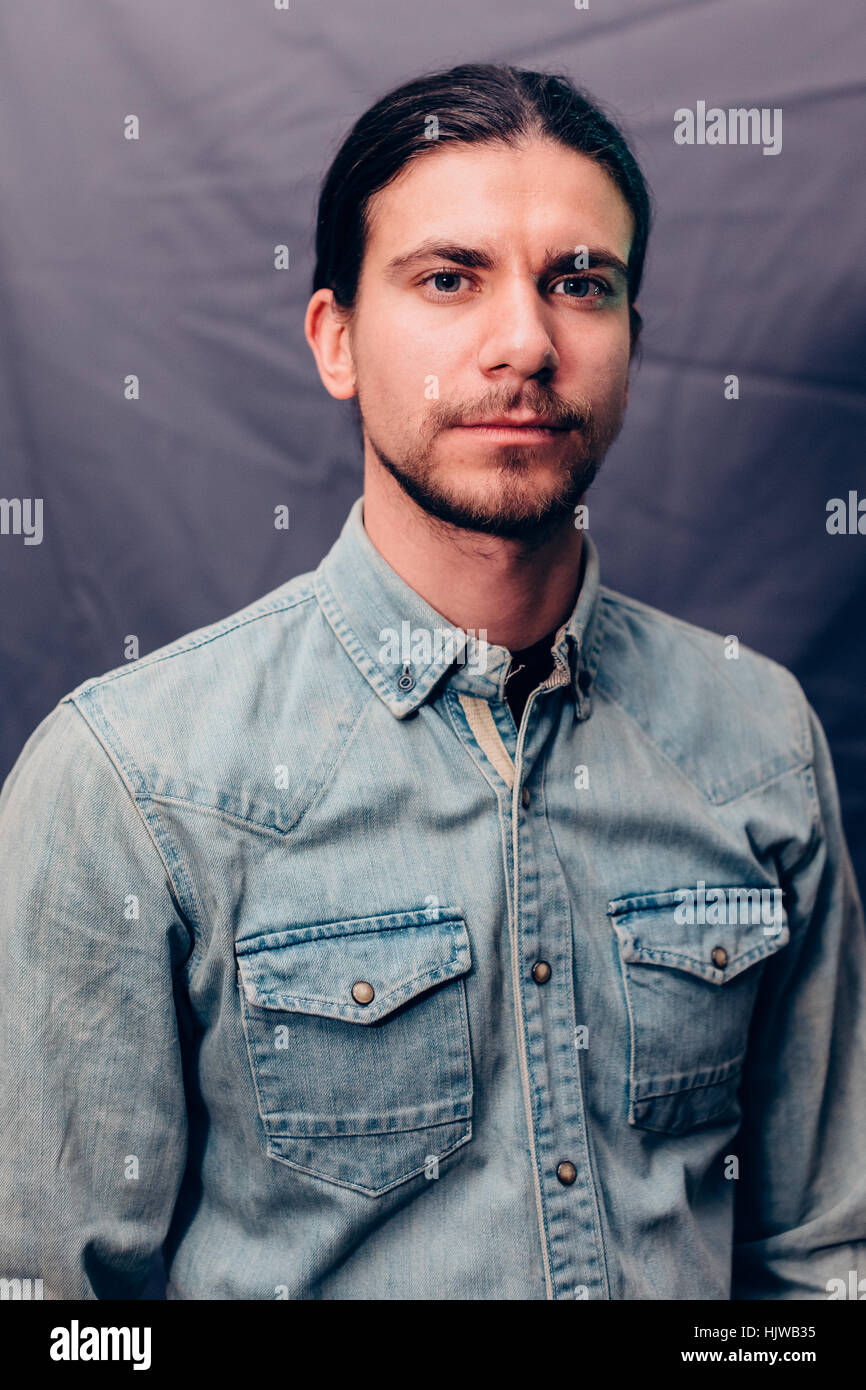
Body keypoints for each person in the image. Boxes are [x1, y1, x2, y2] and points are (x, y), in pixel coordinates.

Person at [1, 62, 864, 1301]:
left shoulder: (756, 738)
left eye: (578, 283)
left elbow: (817, 1264)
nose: (524, 341)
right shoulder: (130, 781)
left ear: (629, 340)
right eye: (448, 279)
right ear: (336, 341)